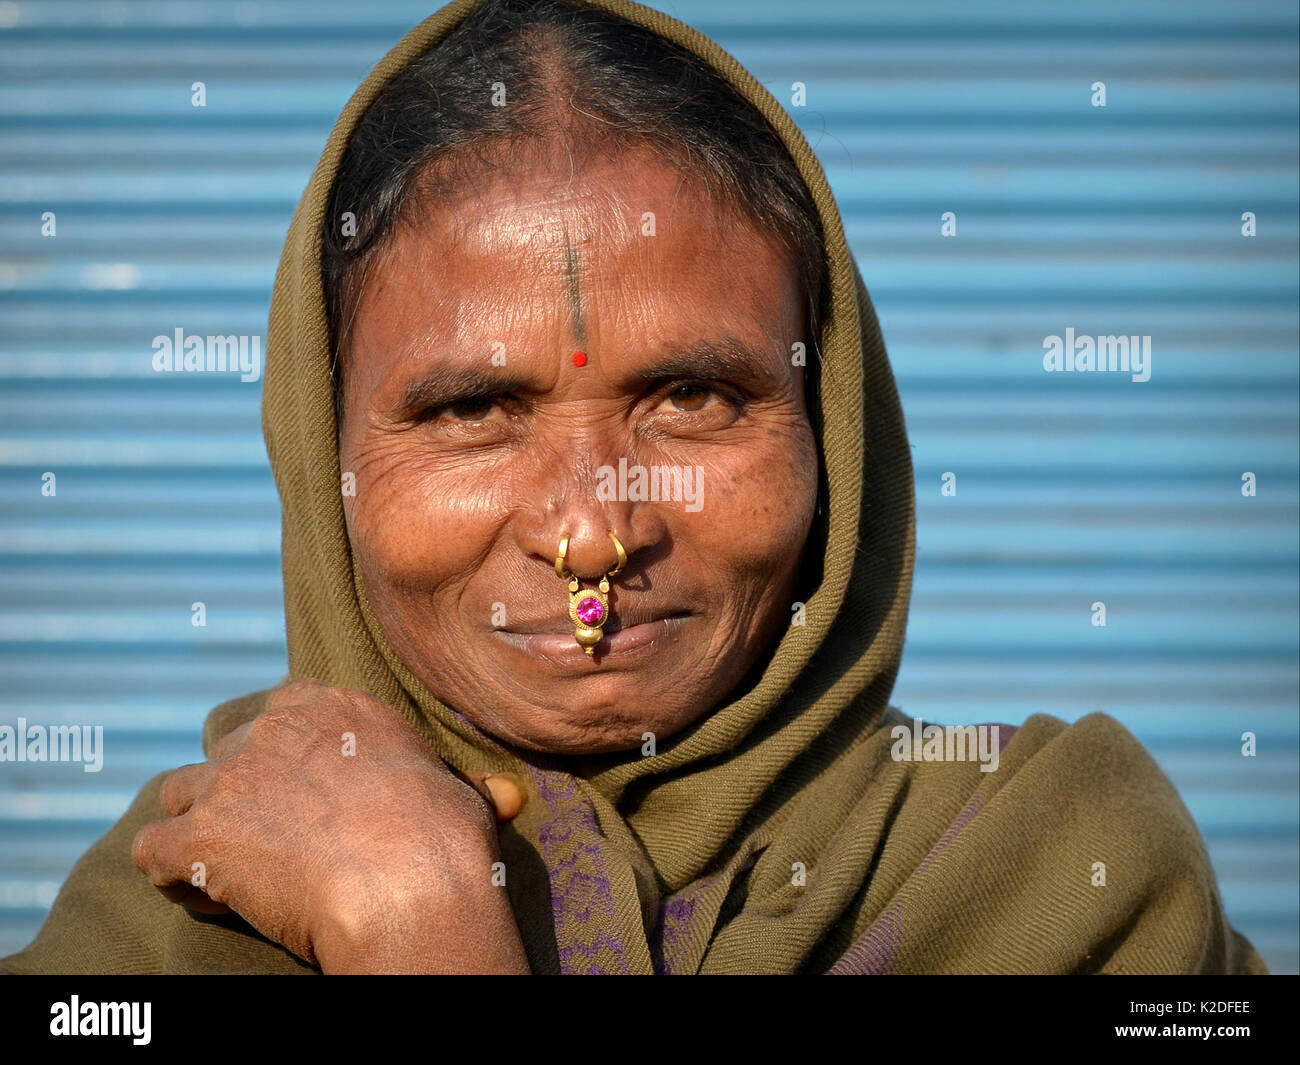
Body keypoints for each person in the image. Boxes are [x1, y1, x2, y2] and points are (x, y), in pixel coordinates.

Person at [1, 0, 1266, 975]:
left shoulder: (1055, 868)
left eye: (695, 399)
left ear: (835, 423)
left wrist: (424, 935)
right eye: (472, 411)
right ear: (317, 445)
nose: (592, 534)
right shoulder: (173, 907)